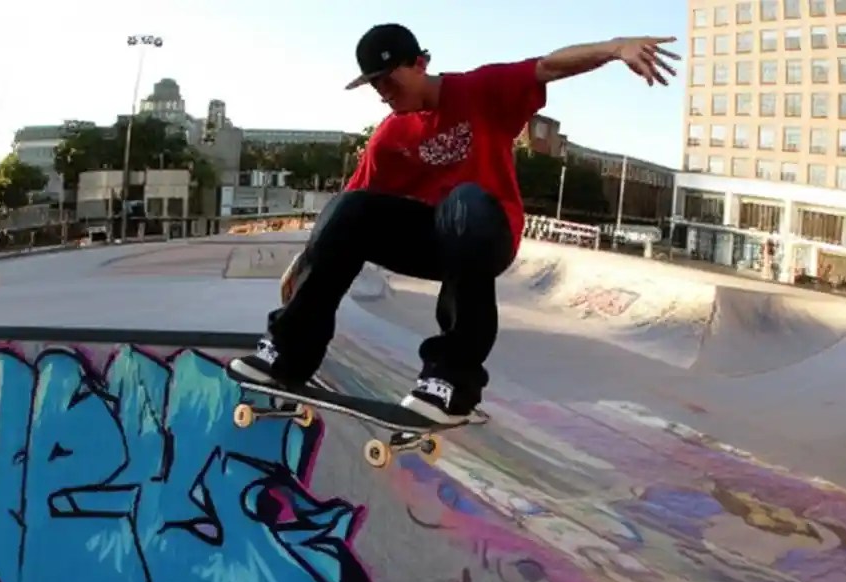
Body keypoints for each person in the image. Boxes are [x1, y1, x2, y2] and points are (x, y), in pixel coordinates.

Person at [229, 23, 678, 424]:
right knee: (351, 211)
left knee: (463, 202)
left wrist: (616, 47)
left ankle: (452, 380)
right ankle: (290, 354)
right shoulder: (391, 134)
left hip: (489, 232)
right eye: (374, 85)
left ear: (420, 63)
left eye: (389, 79)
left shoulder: (481, 90)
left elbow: (547, 66)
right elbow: (347, 207)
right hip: (432, 243)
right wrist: (306, 262)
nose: (383, 92)